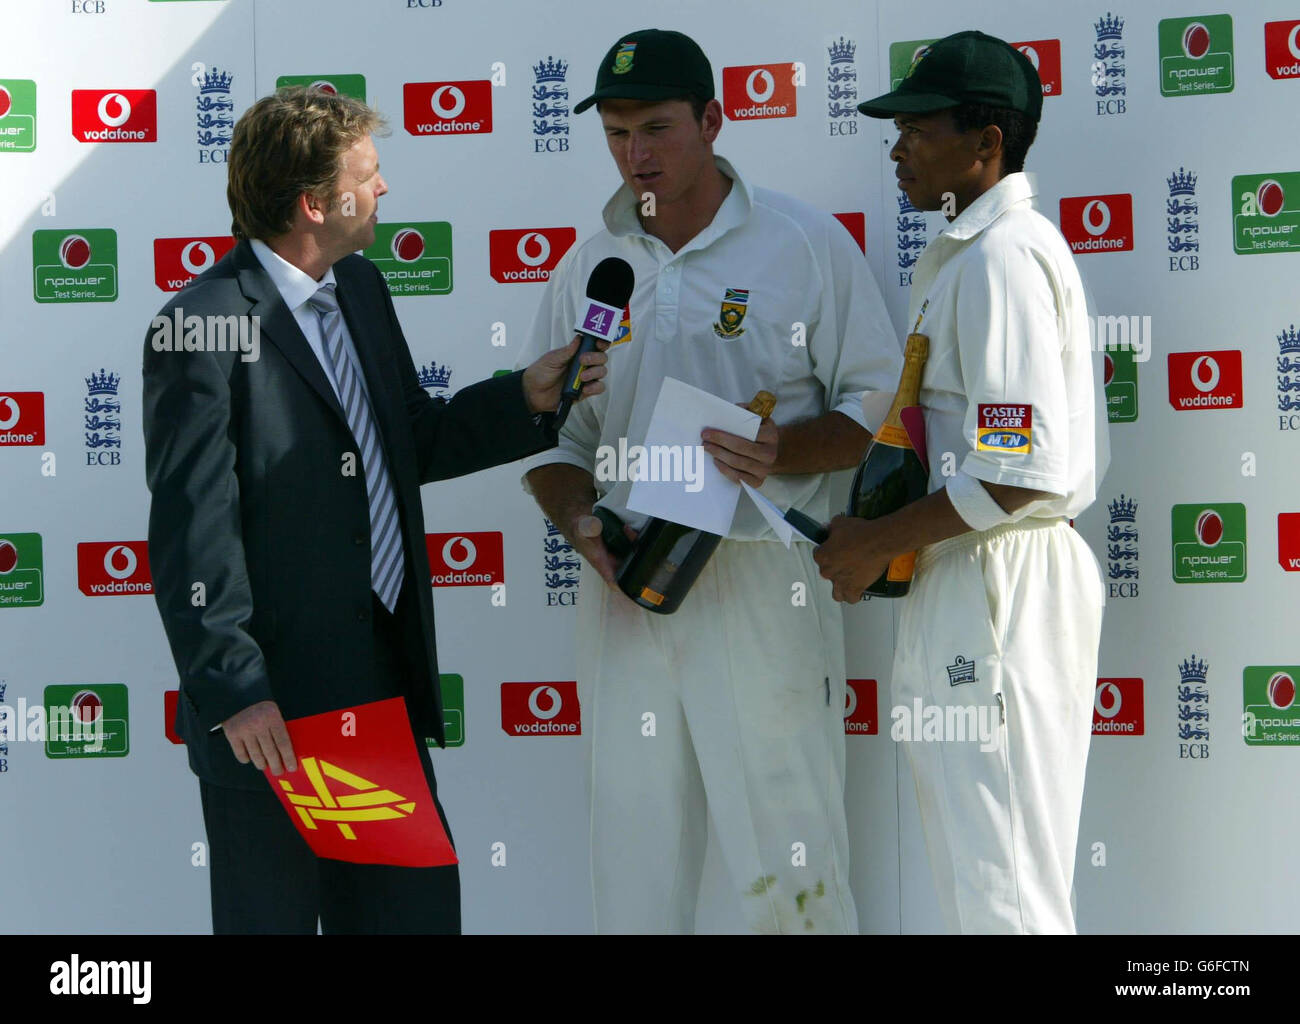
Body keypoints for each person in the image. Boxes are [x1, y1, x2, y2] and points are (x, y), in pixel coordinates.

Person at [142, 86, 606, 934]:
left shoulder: (359, 286)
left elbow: (410, 444)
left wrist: (524, 400)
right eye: (371, 172)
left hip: (374, 693)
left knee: (412, 922)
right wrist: (237, 691)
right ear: (317, 202)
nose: (386, 189)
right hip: (268, 718)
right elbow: (190, 534)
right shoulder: (202, 325)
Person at [518, 28, 901, 934]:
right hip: (627, 581)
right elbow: (550, 444)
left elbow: (875, 417)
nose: (636, 155)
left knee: (792, 849)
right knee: (633, 857)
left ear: (715, 121)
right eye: (616, 132)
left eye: (655, 127)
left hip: (760, 576)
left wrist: (780, 450)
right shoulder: (588, 267)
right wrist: (582, 527)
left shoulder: (802, 245)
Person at [816, 29, 1109, 933]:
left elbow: (1021, 474)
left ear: (987, 143)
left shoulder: (1000, 257)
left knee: (1004, 886)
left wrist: (873, 541)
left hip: (999, 578)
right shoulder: (969, 253)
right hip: (970, 572)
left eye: (919, 126)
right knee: (985, 876)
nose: (897, 146)